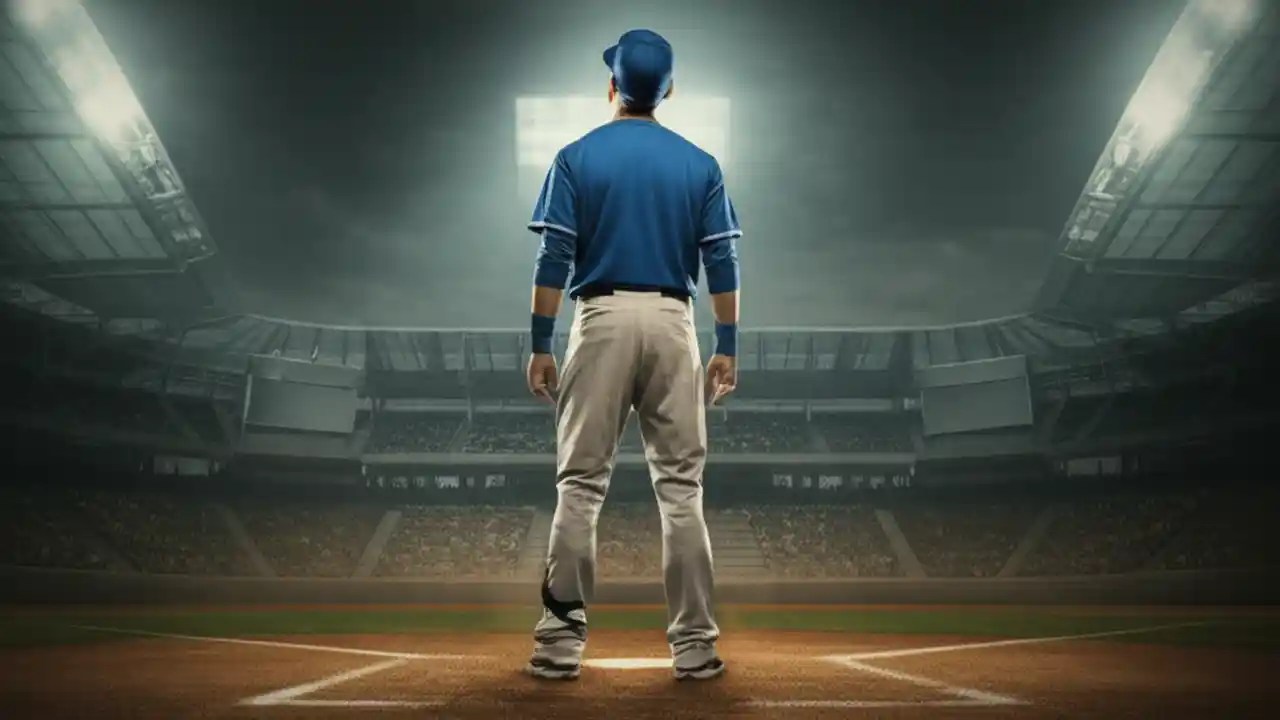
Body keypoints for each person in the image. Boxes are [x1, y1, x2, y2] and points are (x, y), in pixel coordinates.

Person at [521, 28, 742, 682]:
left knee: (580, 486)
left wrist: (540, 343)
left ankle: (559, 646)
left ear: (611, 85)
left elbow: (554, 257)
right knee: (682, 492)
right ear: (669, 91)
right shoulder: (701, 164)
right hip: (675, 322)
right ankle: (695, 647)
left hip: (601, 318)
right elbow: (722, 261)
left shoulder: (576, 156)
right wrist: (728, 345)